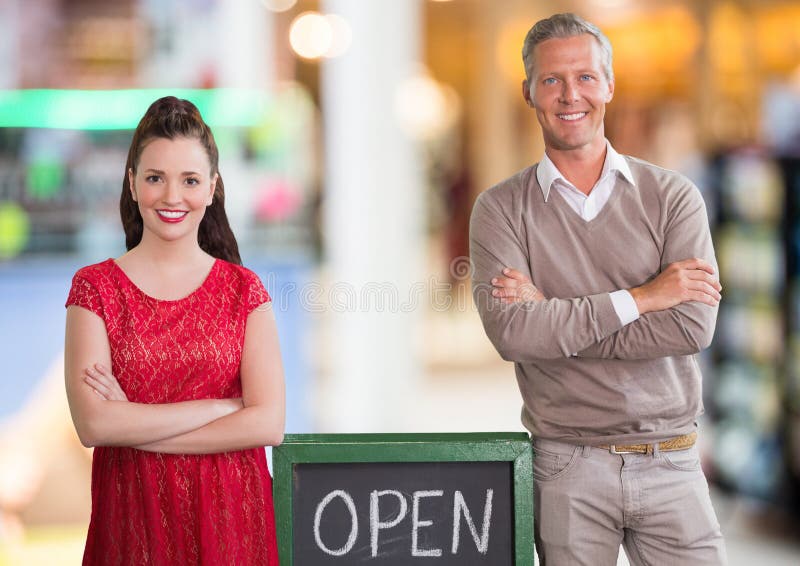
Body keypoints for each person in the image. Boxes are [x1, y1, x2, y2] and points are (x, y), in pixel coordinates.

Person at [469, 13, 727, 565]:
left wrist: (555, 321)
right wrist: (644, 297)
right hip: (567, 464)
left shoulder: (673, 197)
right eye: (552, 80)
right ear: (528, 92)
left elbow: (691, 327)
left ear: (609, 84)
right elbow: (515, 335)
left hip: (671, 458)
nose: (571, 95)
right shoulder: (500, 210)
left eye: (585, 77)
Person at [64, 96, 285, 565]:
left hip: (234, 524)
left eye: (189, 180)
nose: (171, 196)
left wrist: (134, 424)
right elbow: (95, 424)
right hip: (134, 521)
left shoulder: (244, 291)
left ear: (212, 187)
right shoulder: (94, 289)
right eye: (155, 178)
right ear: (132, 183)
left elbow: (267, 423)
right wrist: (222, 408)